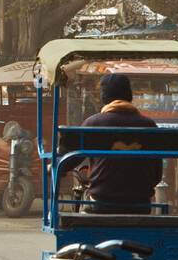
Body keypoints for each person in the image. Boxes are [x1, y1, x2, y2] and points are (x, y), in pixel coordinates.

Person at [67, 73, 162, 214]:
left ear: (103, 97)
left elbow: (70, 160)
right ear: (129, 94)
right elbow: (157, 175)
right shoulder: (149, 125)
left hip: (101, 203)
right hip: (141, 204)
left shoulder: (93, 123)